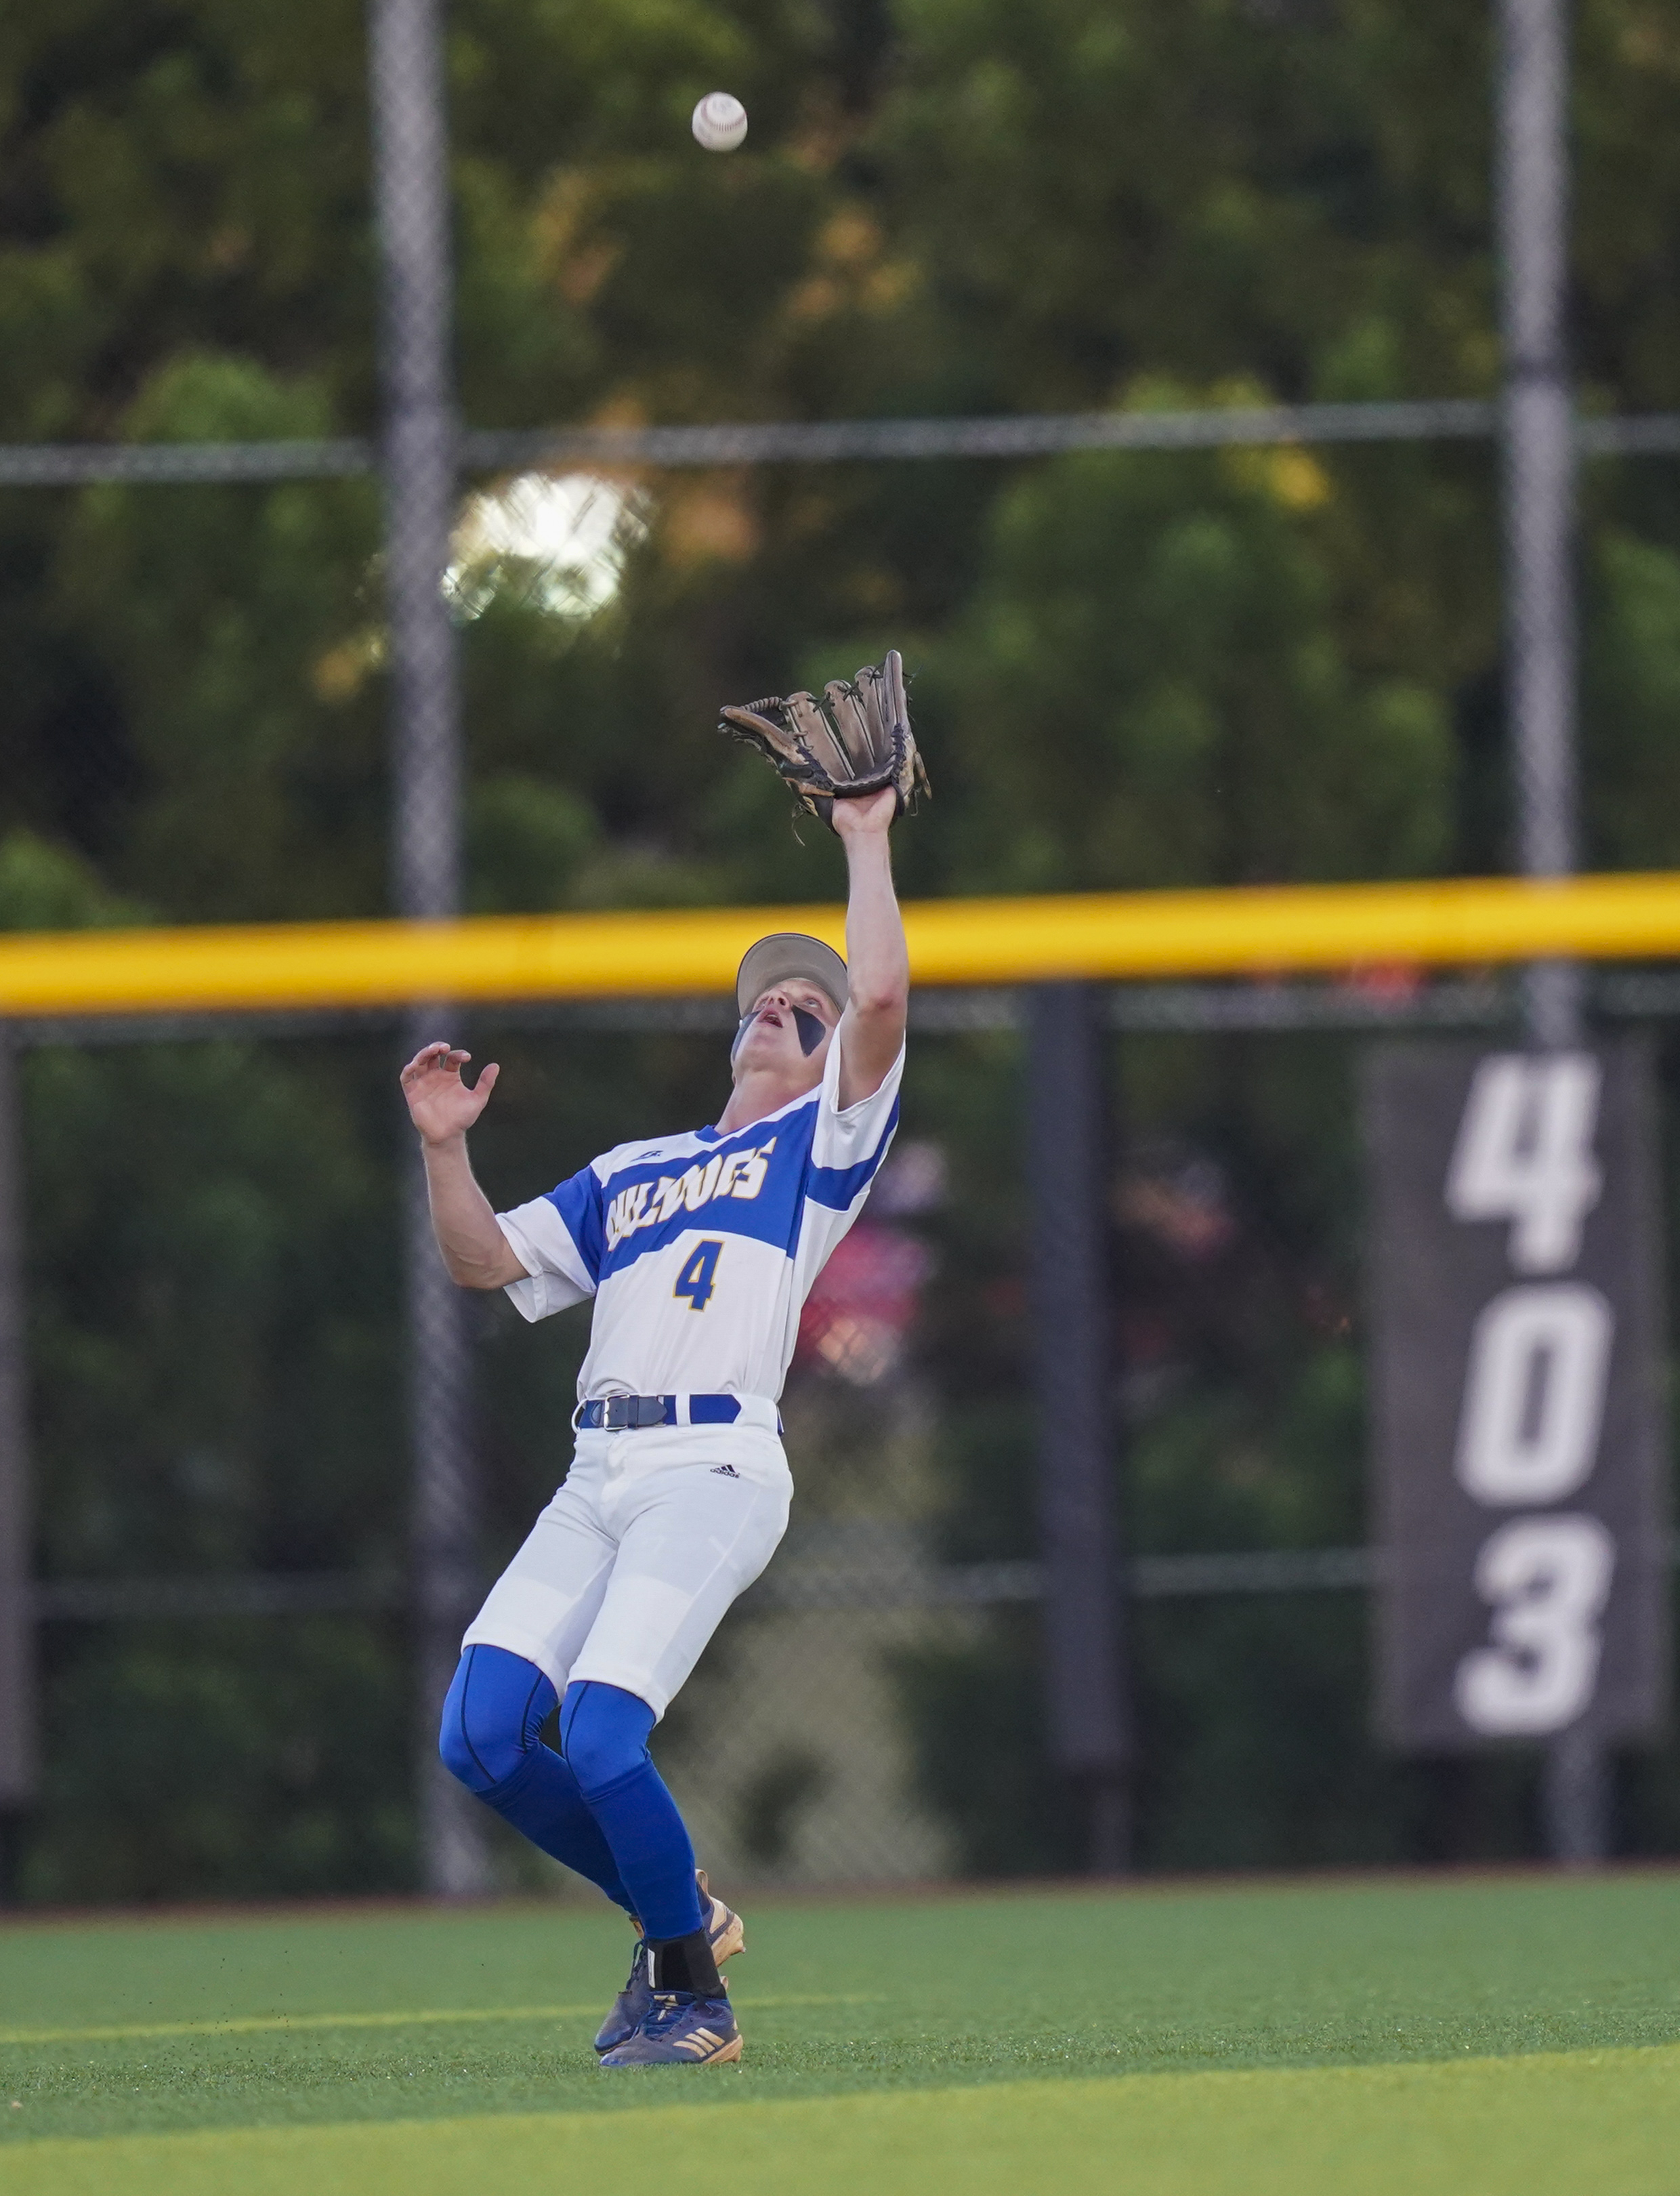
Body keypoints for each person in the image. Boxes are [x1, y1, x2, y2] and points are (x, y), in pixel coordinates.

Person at [399, 786, 908, 2067]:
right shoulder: (632, 1168)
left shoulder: (817, 1150)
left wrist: (863, 836)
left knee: (608, 1734)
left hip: (713, 1461)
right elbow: (480, 1261)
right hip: (600, 1465)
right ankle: (683, 1917)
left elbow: (888, 1003)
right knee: (481, 1731)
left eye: (807, 1006)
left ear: (832, 1052)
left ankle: (695, 1995)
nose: (776, 1008)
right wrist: (446, 1150)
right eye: (760, 999)